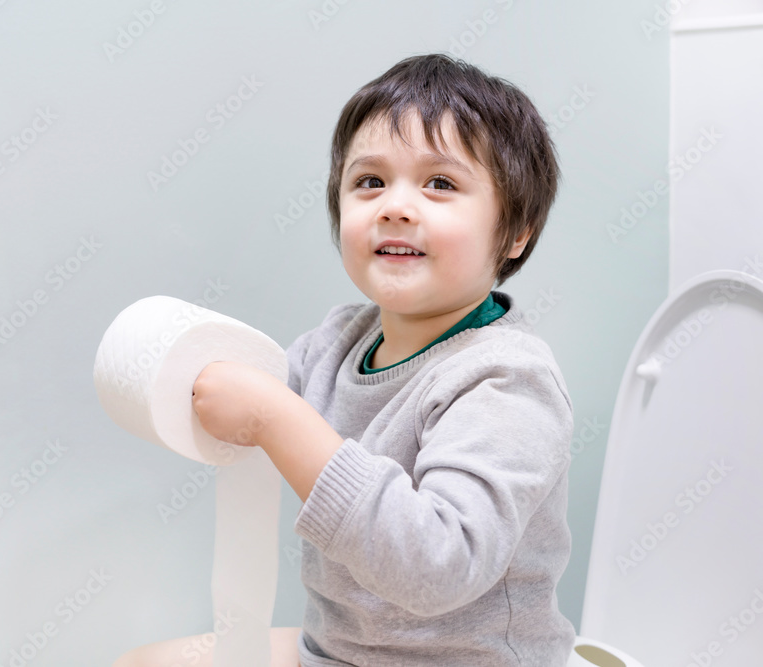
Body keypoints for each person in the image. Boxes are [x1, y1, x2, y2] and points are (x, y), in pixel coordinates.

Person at [116, 52, 576, 666]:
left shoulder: (507, 381)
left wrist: (273, 417)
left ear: (516, 231)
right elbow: (243, 397)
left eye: (440, 184)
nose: (394, 205)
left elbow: (441, 564)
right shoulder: (338, 341)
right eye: (369, 182)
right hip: (338, 654)